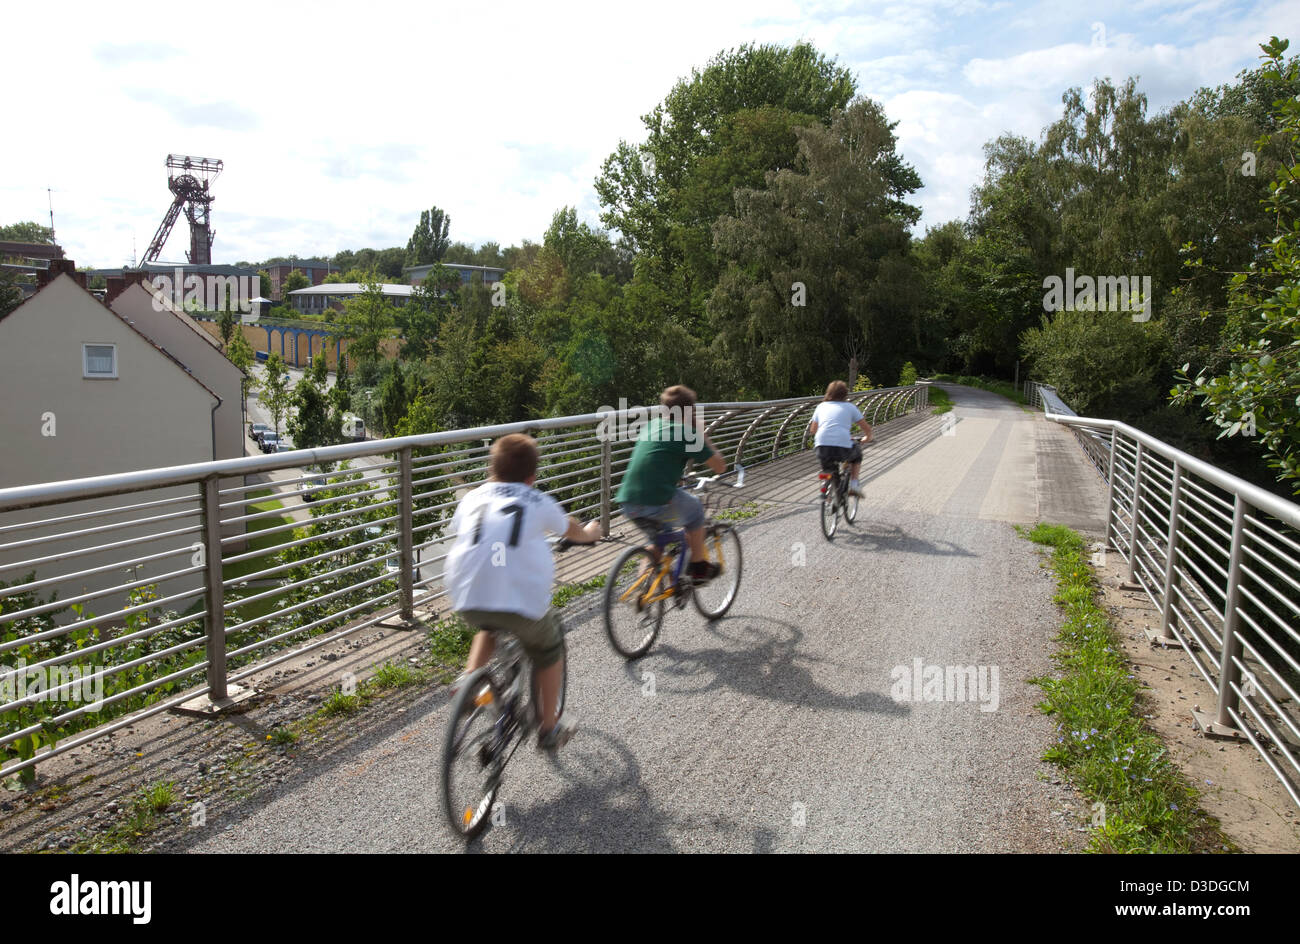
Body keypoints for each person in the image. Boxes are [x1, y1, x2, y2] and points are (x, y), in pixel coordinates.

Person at [444, 433, 601, 751]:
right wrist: (589, 532)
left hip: (467, 595)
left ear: (492, 470)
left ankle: (467, 682)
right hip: (520, 603)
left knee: (489, 625)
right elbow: (569, 528)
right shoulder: (537, 500)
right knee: (548, 649)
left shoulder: (472, 498)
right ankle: (549, 728)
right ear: (531, 477)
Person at [616, 385, 727, 582]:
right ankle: (699, 568)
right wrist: (702, 434)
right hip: (655, 500)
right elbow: (720, 467)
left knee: (658, 541)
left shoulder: (652, 425)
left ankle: (641, 592)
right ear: (690, 411)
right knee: (694, 511)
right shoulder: (686, 433)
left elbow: (658, 460)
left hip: (628, 501)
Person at [809, 380, 873, 496]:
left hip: (822, 446)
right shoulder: (850, 407)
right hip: (843, 444)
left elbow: (813, 430)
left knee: (830, 471)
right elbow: (866, 428)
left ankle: (826, 491)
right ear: (845, 394)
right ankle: (854, 485)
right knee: (857, 454)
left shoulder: (821, 407)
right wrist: (867, 437)